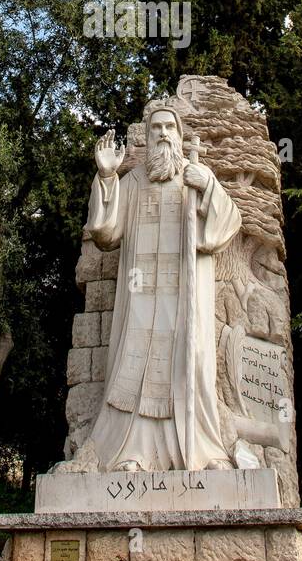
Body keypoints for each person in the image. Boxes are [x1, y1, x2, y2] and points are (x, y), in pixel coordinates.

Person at [83, 102, 241, 472]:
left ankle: (200, 451)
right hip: (140, 301)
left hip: (184, 300)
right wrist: (107, 177)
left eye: (170, 127)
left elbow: (227, 225)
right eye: (157, 128)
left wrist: (210, 188)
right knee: (134, 371)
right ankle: (131, 453)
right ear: (149, 137)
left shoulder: (195, 176)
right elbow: (106, 234)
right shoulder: (133, 182)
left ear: (180, 135)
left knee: (188, 373)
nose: (164, 133)